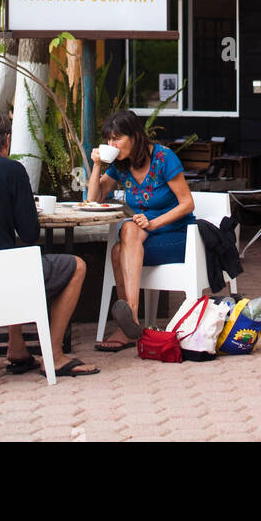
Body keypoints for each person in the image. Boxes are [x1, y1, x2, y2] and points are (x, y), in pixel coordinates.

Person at [0, 109, 96, 376]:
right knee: (77, 266)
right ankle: (56, 354)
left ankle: (17, 347)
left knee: (11, 255)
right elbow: (28, 232)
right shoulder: (12, 170)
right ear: (7, 140)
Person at [88, 109, 196, 352]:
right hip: (141, 239)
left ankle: (131, 319)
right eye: (108, 140)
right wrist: (96, 166)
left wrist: (154, 223)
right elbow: (93, 199)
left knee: (126, 234)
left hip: (176, 237)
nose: (111, 144)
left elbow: (187, 203)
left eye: (117, 139)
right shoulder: (121, 164)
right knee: (122, 243)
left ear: (135, 136)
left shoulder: (163, 158)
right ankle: (131, 323)